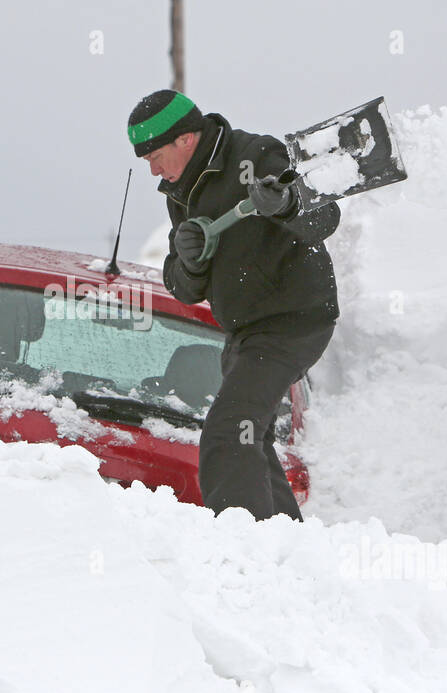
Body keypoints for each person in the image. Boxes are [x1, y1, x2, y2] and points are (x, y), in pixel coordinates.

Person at [128, 89, 340, 522]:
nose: (152, 169)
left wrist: (285, 204)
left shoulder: (255, 154)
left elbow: (325, 216)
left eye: (153, 155)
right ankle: (284, 537)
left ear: (185, 139)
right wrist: (189, 262)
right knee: (250, 437)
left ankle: (245, 544)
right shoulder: (180, 194)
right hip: (246, 331)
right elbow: (184, 288)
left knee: (228, 432)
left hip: (293, 318)